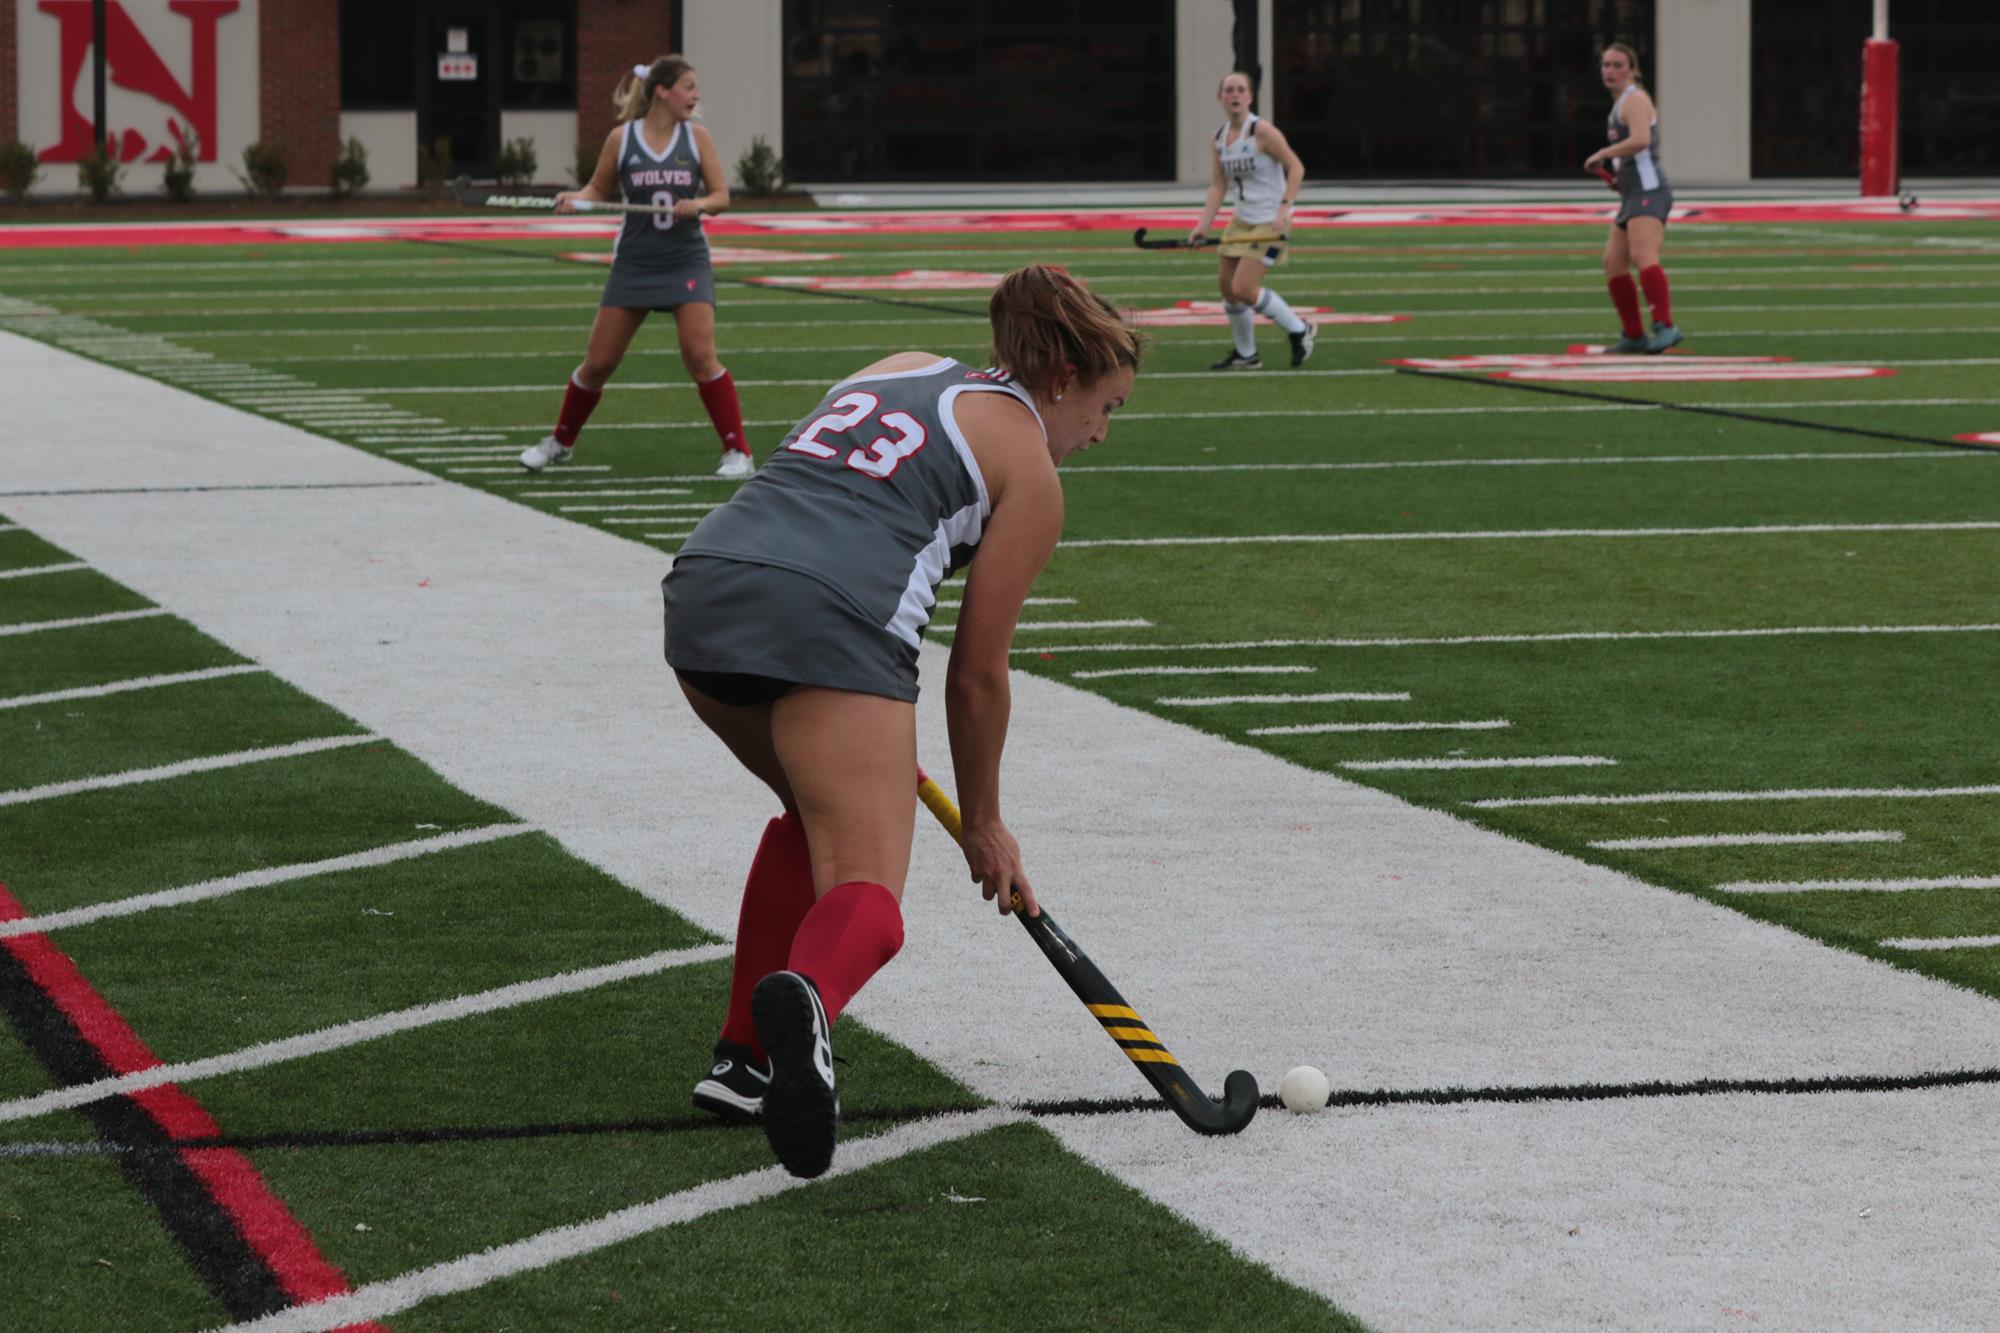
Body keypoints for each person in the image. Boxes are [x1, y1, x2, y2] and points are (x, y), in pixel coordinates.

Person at [664, 266, 1142, 1178]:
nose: (1100, 434)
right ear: (1061, 379)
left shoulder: (901, 362)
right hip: (831, 621)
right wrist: (987, 822)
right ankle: (806, 998)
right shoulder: (1032, 472)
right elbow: (977, 677)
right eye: (1105, 407)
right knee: (869, 895)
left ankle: (744, 1061)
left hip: (705, 588)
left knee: (815, 820)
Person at [520, 55, 754, 478]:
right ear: (662, 91)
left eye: (695, 87)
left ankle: (738, 451)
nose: (695, 95)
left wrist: (697, 204)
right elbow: (598, 187)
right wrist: (577, 198)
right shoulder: (622, 138)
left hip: (685, 259)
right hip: (635, 262)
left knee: (699, 354)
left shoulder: (696, 137)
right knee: (598, 364)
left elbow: (721, 196)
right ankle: (561, 442)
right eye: (688, 86)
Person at [1189, 70, 1315, 371]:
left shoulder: (1263, 132)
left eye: (1240, 90)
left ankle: (1300, 330)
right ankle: (1247, 355)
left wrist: (1286, 206)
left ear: (1249, 96)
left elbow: (1296, 167)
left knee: (1244, 287)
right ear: (1220, 97)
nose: (1234, 95)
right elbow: (1218, 185)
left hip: (1271, 221)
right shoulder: (1219, 138)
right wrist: (1203, 224)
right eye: (1228, 90)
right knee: (1227, 287)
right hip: (1242, 219)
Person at [1584, 42, 1683, 355]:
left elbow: (1640, 140)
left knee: (1644, 257)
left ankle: (1666, 326)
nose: (1610, 71)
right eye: (1606, 65)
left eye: (1618, 65)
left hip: (1649, 192)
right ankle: (1634, 334)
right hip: (1633, 193)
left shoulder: (1635, 99)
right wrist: (1616, 176)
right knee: (1613, 264)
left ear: (1633, 70)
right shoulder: (1619, 105)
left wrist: (1603, 152)